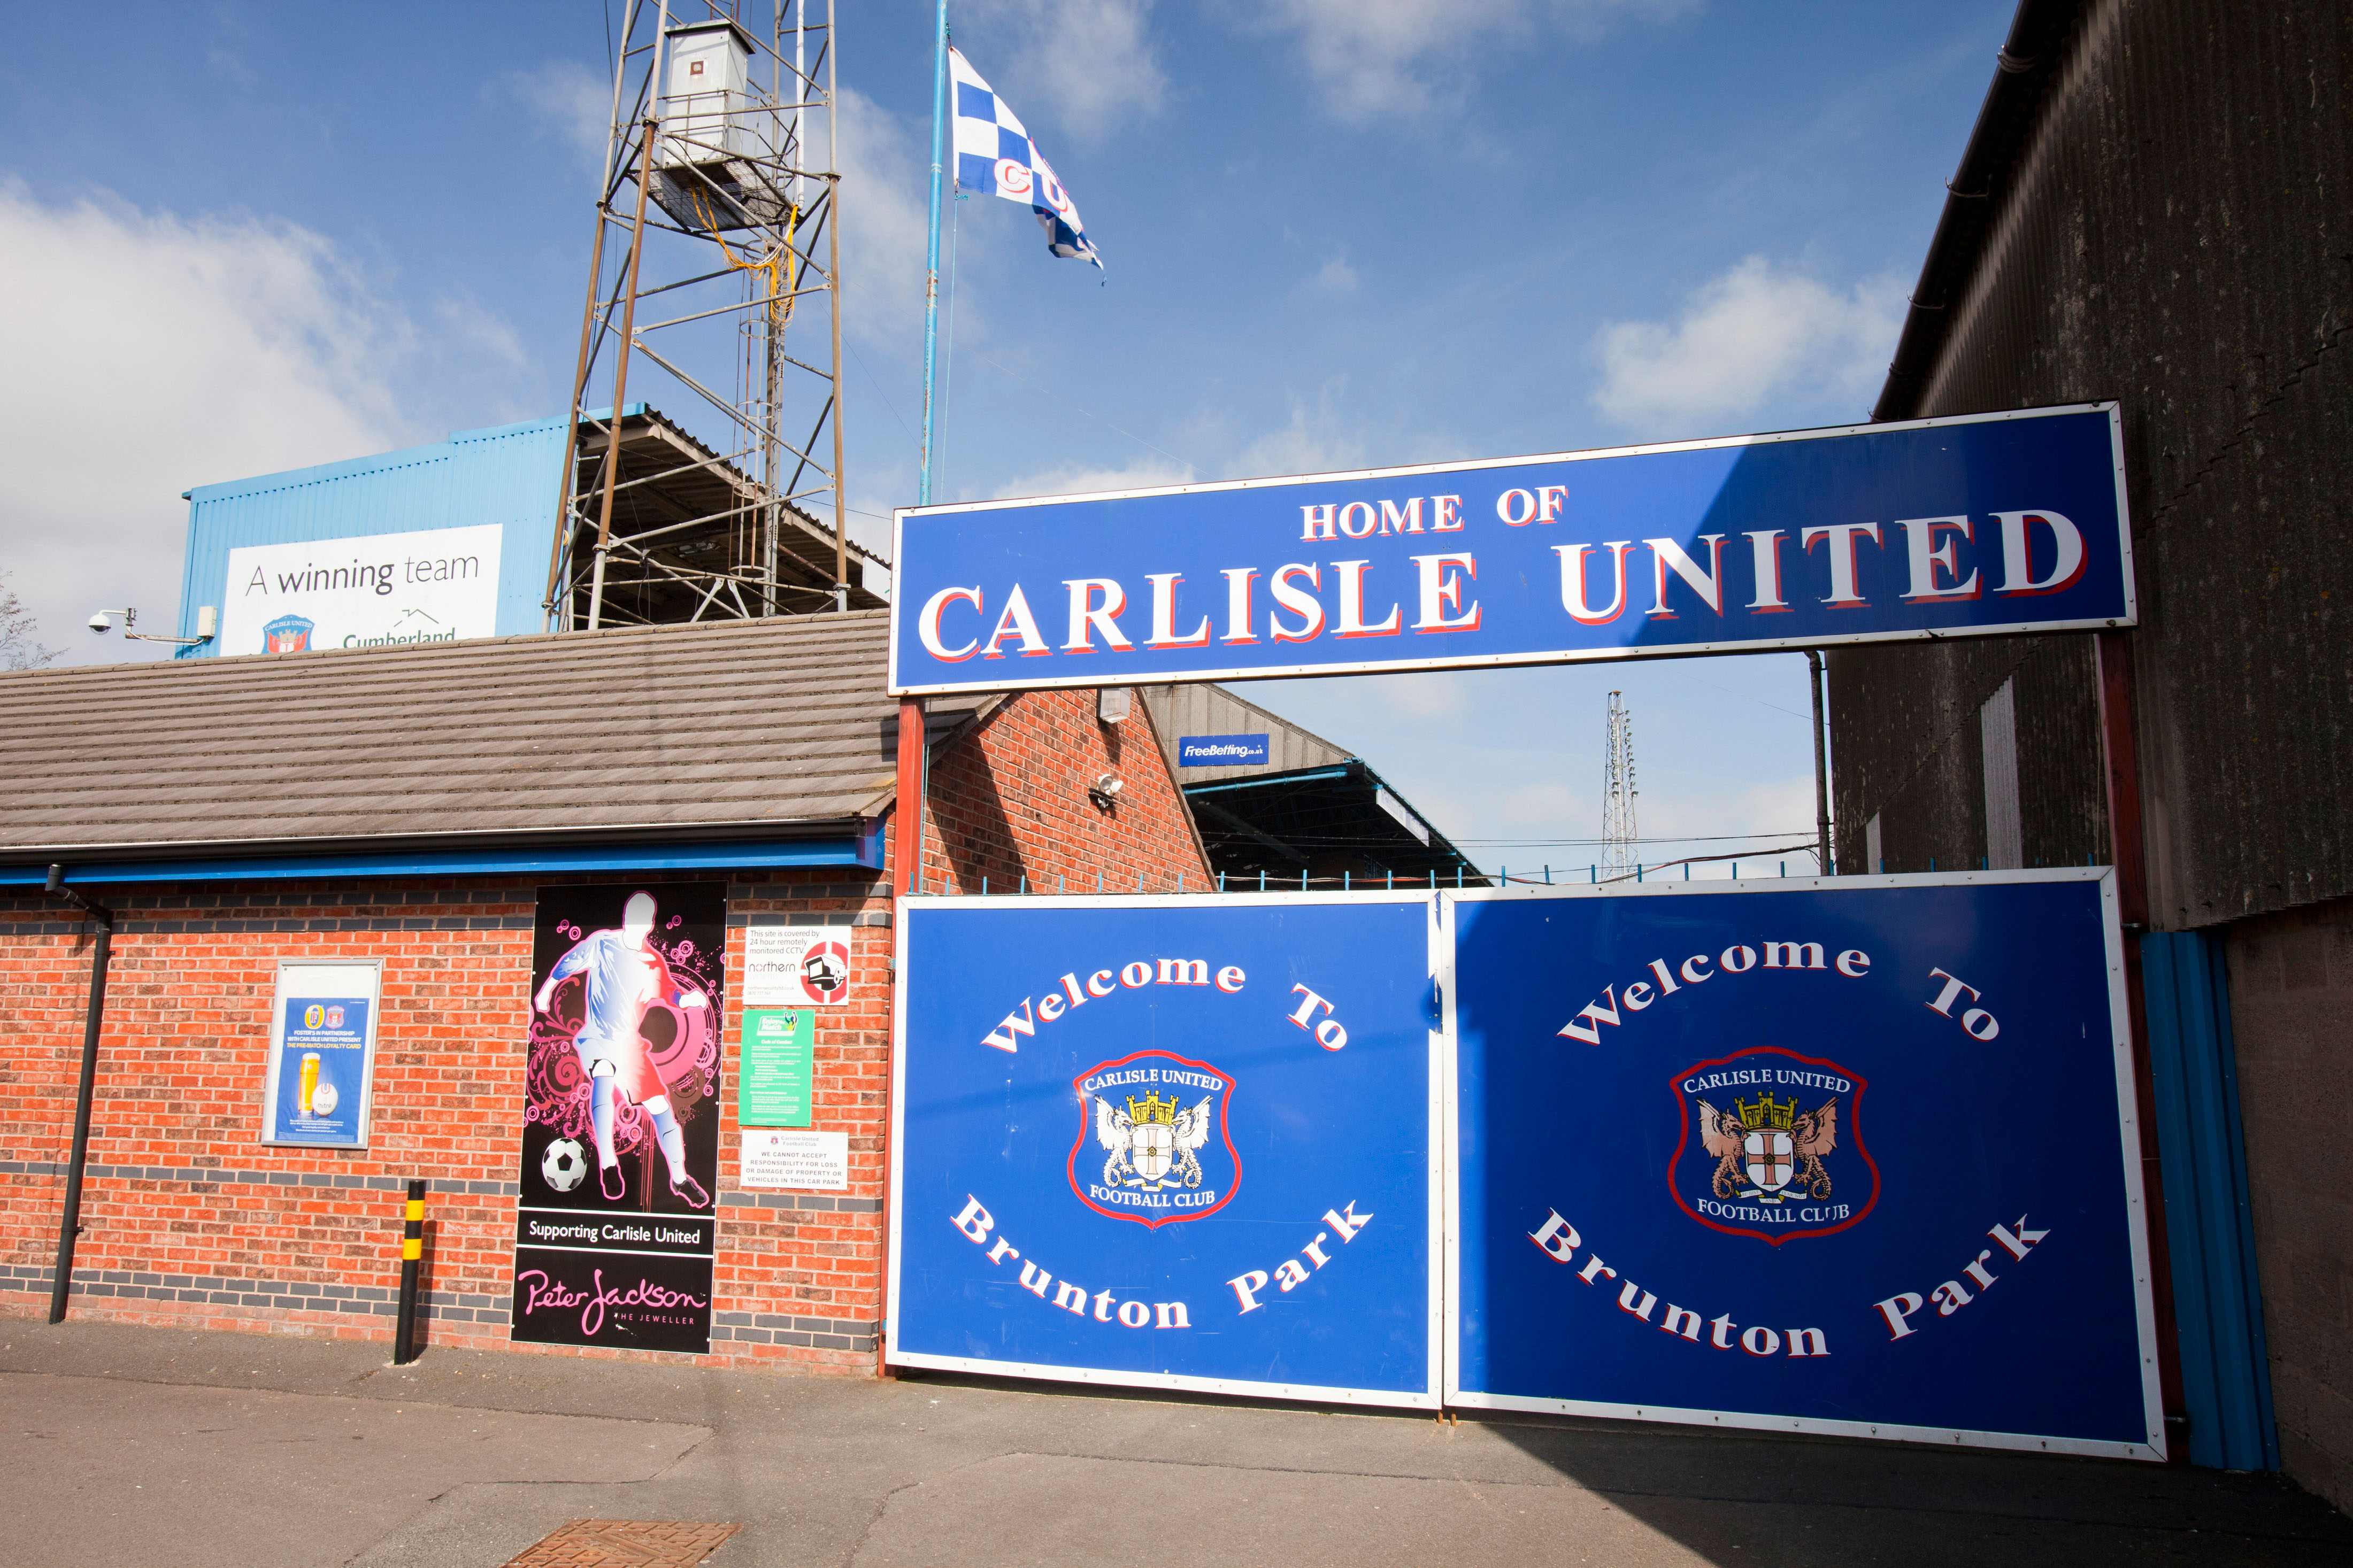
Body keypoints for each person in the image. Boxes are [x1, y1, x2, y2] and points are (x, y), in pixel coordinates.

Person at [534, 891, 711, 1207]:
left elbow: (670, 994)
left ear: (650, 926)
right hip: (597, 1036)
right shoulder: (602, 943)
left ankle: (680, 1179)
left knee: (660, 1107)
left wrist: (689, 1000)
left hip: (629, 1046)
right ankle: (609, 1165)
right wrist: (547, 990)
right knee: (603, 1073)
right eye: (631, 918)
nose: (634, 925)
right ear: (626, 918)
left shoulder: (652, 962)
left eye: (642, 921)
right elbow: (570, 963)